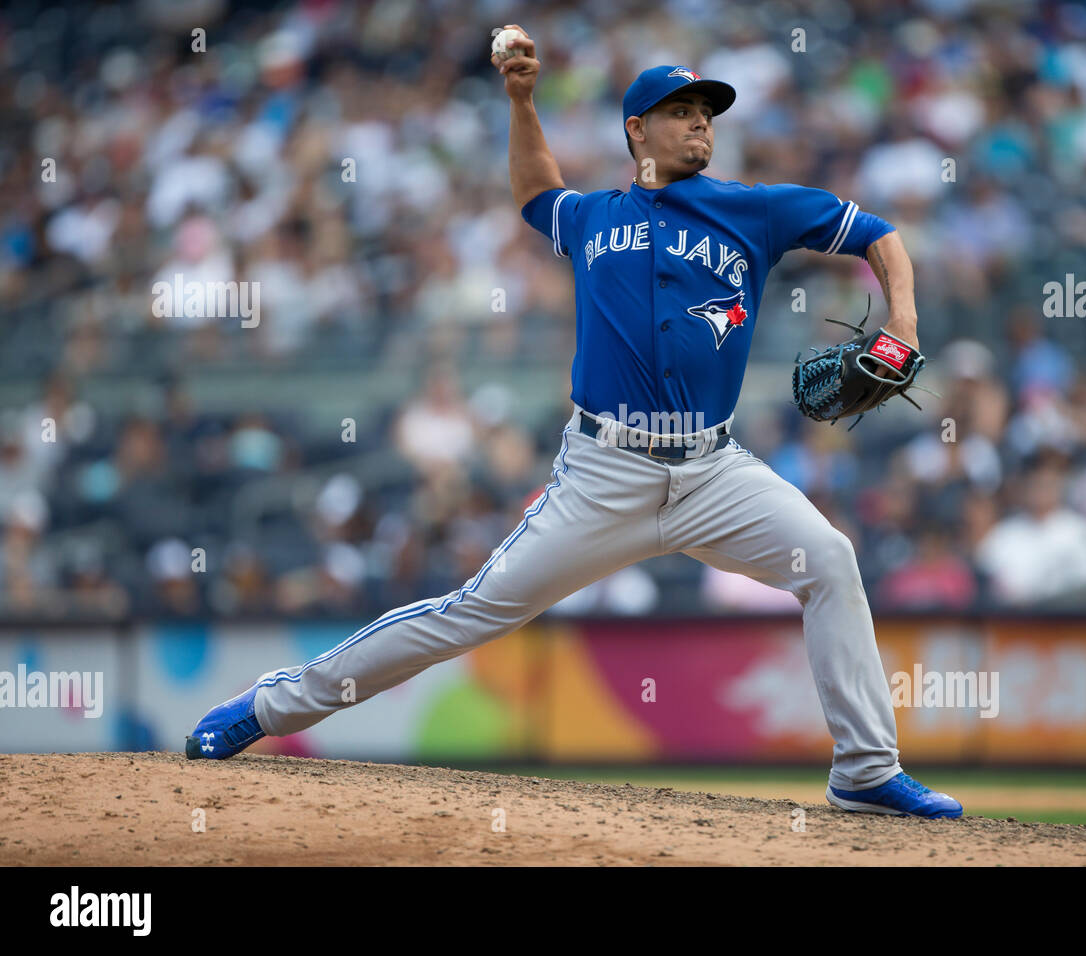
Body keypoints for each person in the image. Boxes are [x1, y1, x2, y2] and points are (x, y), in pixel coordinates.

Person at [185, 25, 961, 819]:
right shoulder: (593, 219)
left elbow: (879, 235)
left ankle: (865, 771)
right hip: (603, 472)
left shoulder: (753, 211)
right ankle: (269, 707)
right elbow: (533, 192)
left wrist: (902, 323)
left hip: (714, 471)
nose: (701, 123)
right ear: (637, 130)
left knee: (829, 559)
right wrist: (522, 102)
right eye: (682, 109)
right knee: (471, 611)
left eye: (707, 111)